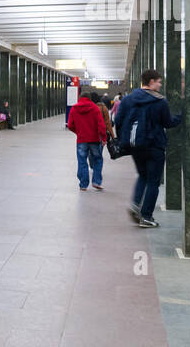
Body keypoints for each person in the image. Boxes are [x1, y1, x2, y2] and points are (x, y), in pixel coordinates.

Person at [114, 69, 183, 228]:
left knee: (142, 175)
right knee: (153, 181)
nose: (160, 85)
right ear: (151, 82)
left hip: (135, 146)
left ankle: (135, 204)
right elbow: (168, 123)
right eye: (159, 82)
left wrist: (123, 139)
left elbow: (118, 120)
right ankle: (146, 217)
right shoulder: (160, 101)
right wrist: (182, 116)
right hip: (155, 146)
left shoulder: (128, 99)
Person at [66, 89, 108, 191]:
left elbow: (70, 125)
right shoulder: (94, 108)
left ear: (80, 98)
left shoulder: (74, 108)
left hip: (81, 140)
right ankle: (96, 181)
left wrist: (78, 132)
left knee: (82, 161)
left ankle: (83, 185)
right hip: (94, 139)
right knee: (98, 159)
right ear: (90, 99)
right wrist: (104, 137)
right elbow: (101, 125)